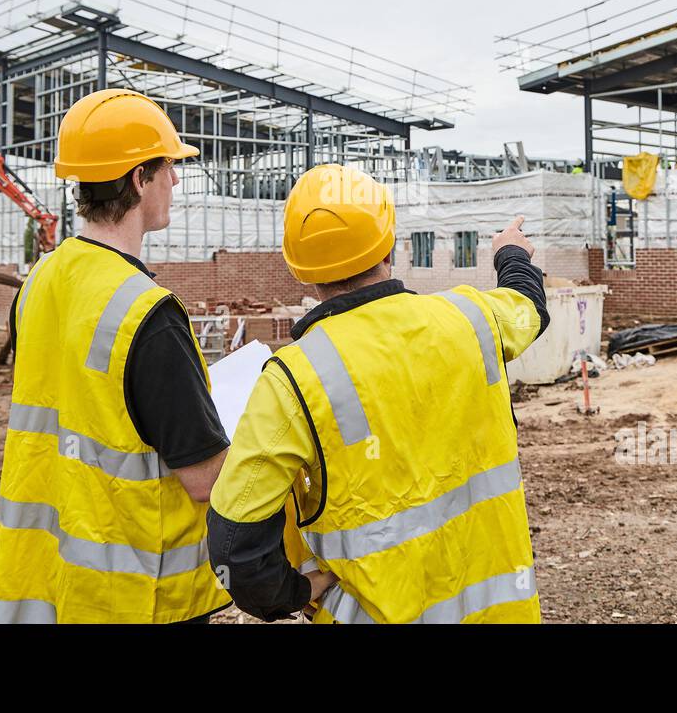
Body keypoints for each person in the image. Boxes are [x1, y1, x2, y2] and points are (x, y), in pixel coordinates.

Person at [207, 163, 549, 623]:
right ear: (389, 243)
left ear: (300, 270)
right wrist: (510, 254)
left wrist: (292, 593)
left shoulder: (293, 378)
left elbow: (235, 547)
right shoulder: (470, 318)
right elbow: (529, 308)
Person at [0, 88, 231, 624]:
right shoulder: (148, 314)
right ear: (140, 178)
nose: (176, 181)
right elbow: (205, 480)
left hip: (51, 578)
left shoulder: (40, 281)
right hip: (138, 594)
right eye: (168, 167)